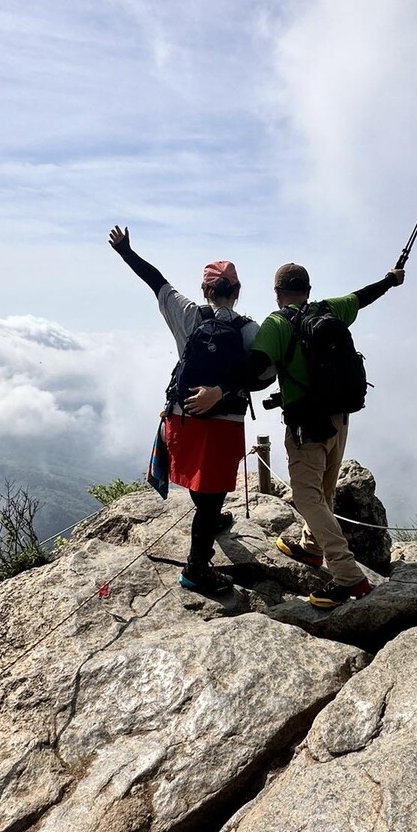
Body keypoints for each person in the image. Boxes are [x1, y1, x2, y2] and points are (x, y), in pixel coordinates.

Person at [188, 261, 404, 608]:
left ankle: (348, 576)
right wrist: (390, 280)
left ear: (277, 293)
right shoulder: (328, 309)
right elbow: (363, 297)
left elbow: (254, 369)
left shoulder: (277, 324)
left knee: (307, 497)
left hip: (307, 426)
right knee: (324, 490)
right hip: (340, 418)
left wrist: (218, 390)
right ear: (308, 289)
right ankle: (310, 546)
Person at [108, 226, 263, 598]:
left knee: (201, 488)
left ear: (205, 290)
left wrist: (126, 251)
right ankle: (196, 570)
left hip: (182, 418)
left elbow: (156, 281)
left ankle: (209, 522)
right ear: (237, 291)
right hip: (224, 422)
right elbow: (262, 376)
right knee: (213, 493)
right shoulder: (248, 329)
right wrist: (224, 390)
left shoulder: (188, 314)